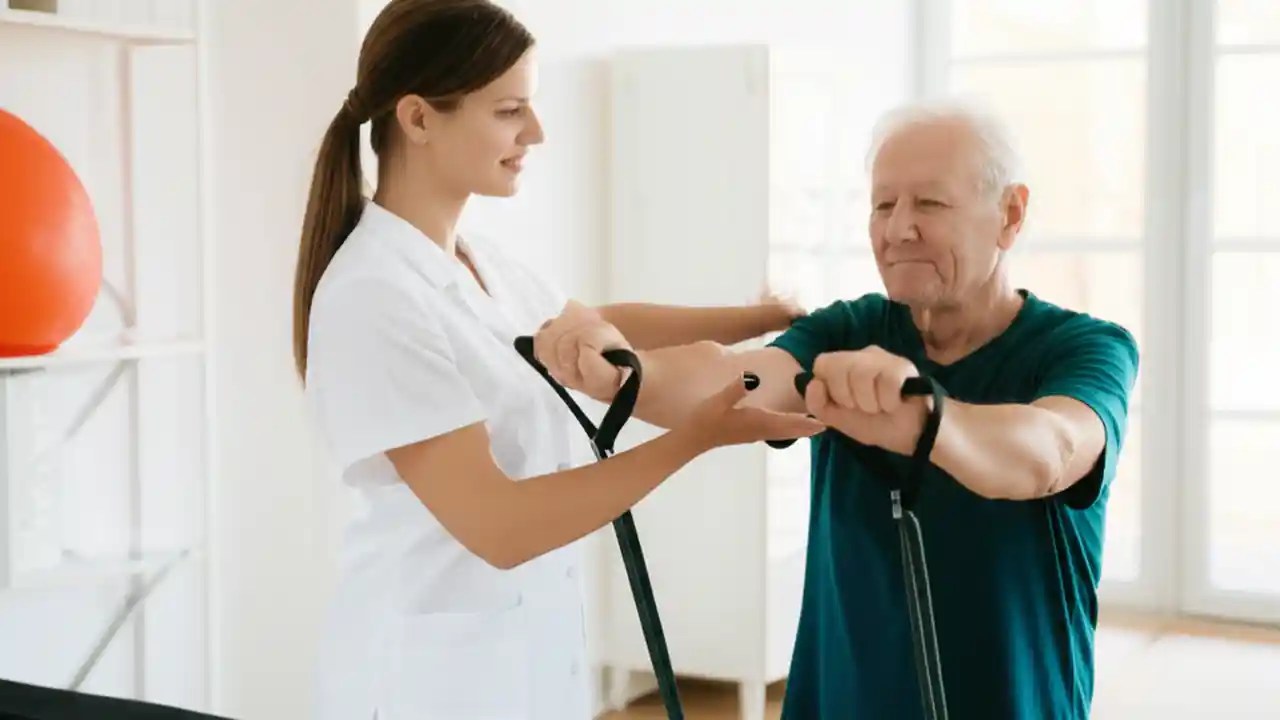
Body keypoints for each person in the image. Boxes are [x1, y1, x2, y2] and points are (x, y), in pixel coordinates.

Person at [293, 1, 824, 719]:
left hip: (522, 658)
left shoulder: (480, 263)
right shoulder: (372, 297)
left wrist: (763, 318)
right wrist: (691, 438)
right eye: (511, 110)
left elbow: (599, 327)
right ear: (418, 119)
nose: (536, 133)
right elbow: (499, 525)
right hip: (431, 684)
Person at [534, 99, 1141, 720]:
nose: (897, 229)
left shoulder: (1085, 347)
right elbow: (736, 378)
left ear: (1009, 215)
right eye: (883, 205)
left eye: (929, 204)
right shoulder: (848, 330)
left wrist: (927, 420)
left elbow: (1049, 450)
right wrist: (625, 375)